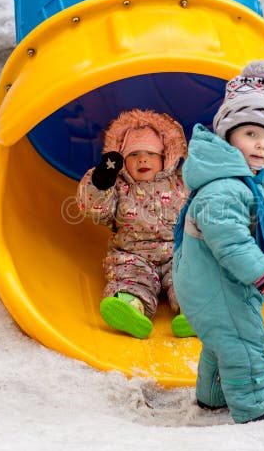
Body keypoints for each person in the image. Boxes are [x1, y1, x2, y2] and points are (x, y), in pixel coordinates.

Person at [172, 60, 264, 423]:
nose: (260, 145)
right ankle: (255, 404)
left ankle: (213, 396)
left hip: (215, 283)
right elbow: (230, 242)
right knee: (246, 342)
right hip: (219, 283)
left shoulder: (246, 181)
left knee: (222, 341)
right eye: (250, 134)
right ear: (228, 136)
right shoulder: (224, 187)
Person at [77, 109, 194, 339]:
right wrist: (100, 183)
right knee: (130, 279)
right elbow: (97, 212)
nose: (142, 159)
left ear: (166, 157)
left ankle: (194, 313)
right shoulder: (119, 186)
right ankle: (131, 307)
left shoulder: (181, 181)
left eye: (150, 153)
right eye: (133, 155)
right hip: (133, 254)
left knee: (191, 276)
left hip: (178, 252)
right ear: (122, 161)